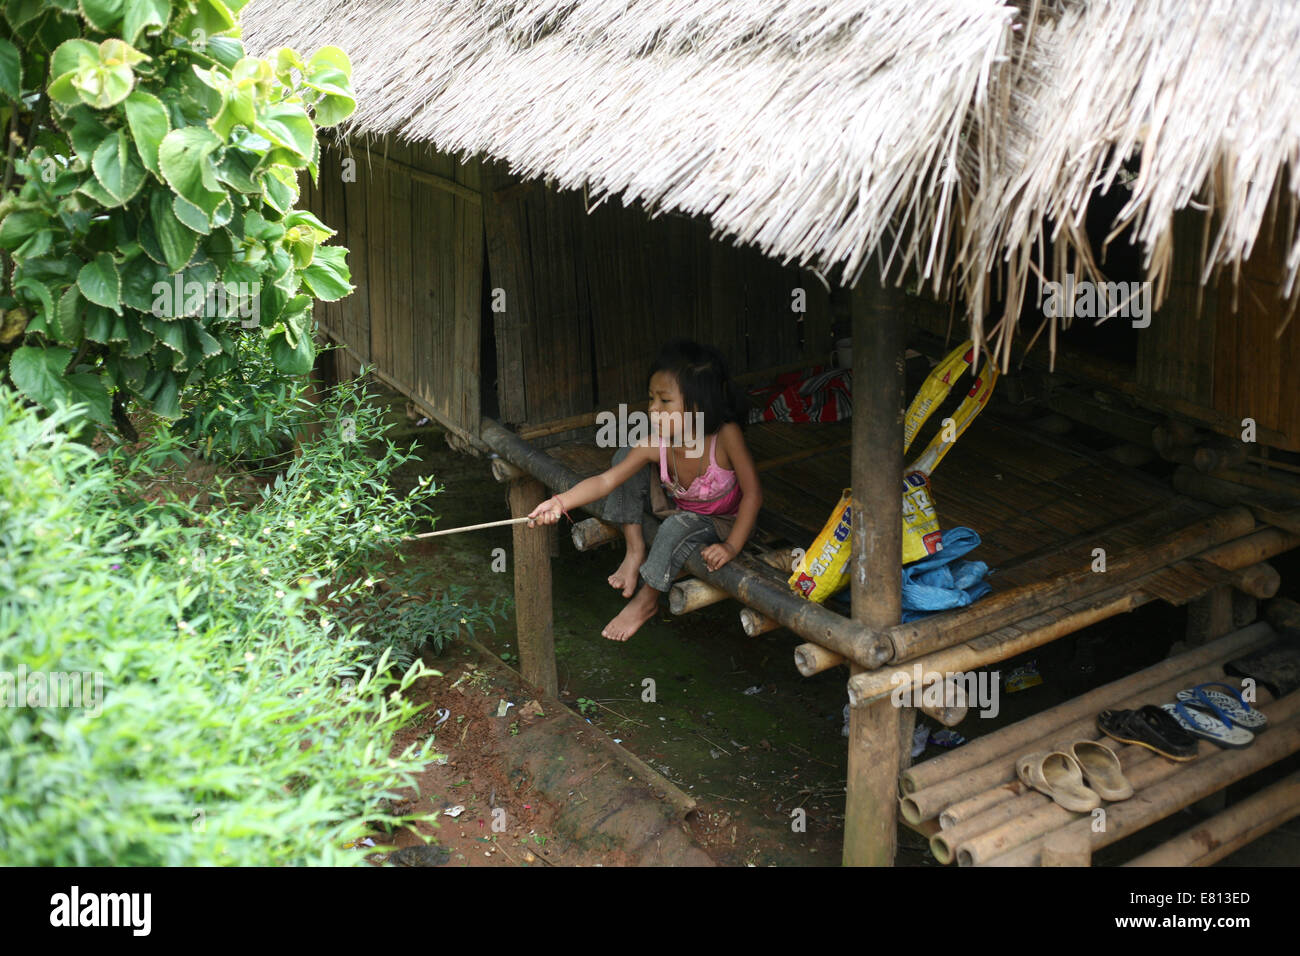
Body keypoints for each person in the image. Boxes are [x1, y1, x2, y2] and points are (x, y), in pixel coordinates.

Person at [527, 339, 762, 642]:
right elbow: (605, 481)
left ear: (698, 406)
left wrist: (731, 546)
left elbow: (754, 494)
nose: (652, 408)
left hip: (724, 521)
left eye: (664, 401)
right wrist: (559, 502)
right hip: (678, 507)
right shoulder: (657, 443)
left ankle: (647, 599)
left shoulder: (726, 437)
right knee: (627, 455)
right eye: (651, 399)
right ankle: (634, 548)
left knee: (676, 526)